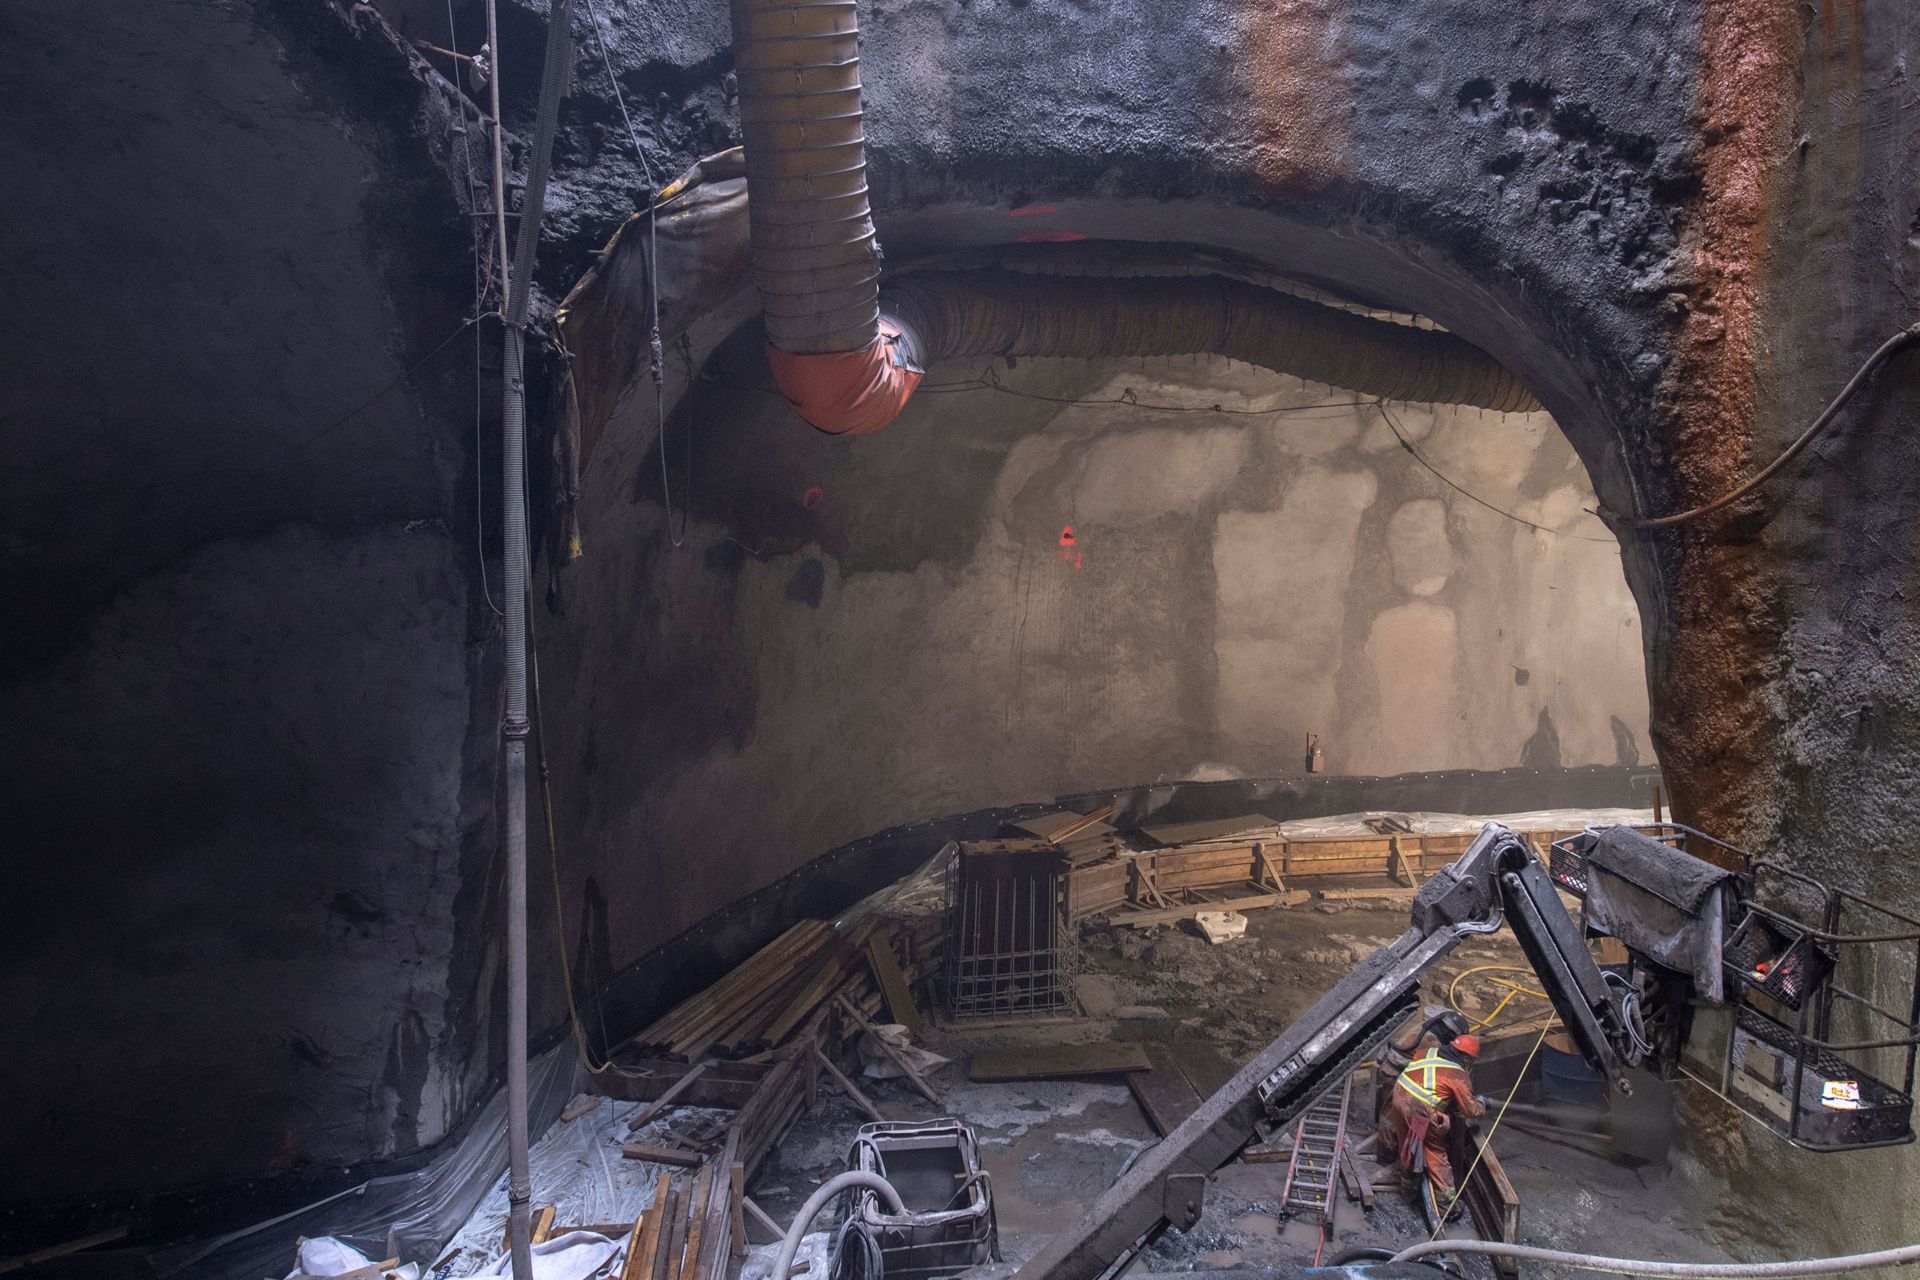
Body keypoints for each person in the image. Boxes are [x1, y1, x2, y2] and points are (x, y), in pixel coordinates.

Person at [1376, 1031, 1485, 1200]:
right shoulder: (1458, 1075)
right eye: (1472, 1060)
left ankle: (1408, 1191)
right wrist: (1482, 1104)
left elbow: (1430, 1079)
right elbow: (1470, 1111)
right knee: (1434, 1152)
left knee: (1407, 1147)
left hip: (1399, 1097)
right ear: (1465, 1058)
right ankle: (1446, 1205)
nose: (1471, 1064)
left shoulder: (1428, 1051)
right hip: (1419, 1109)